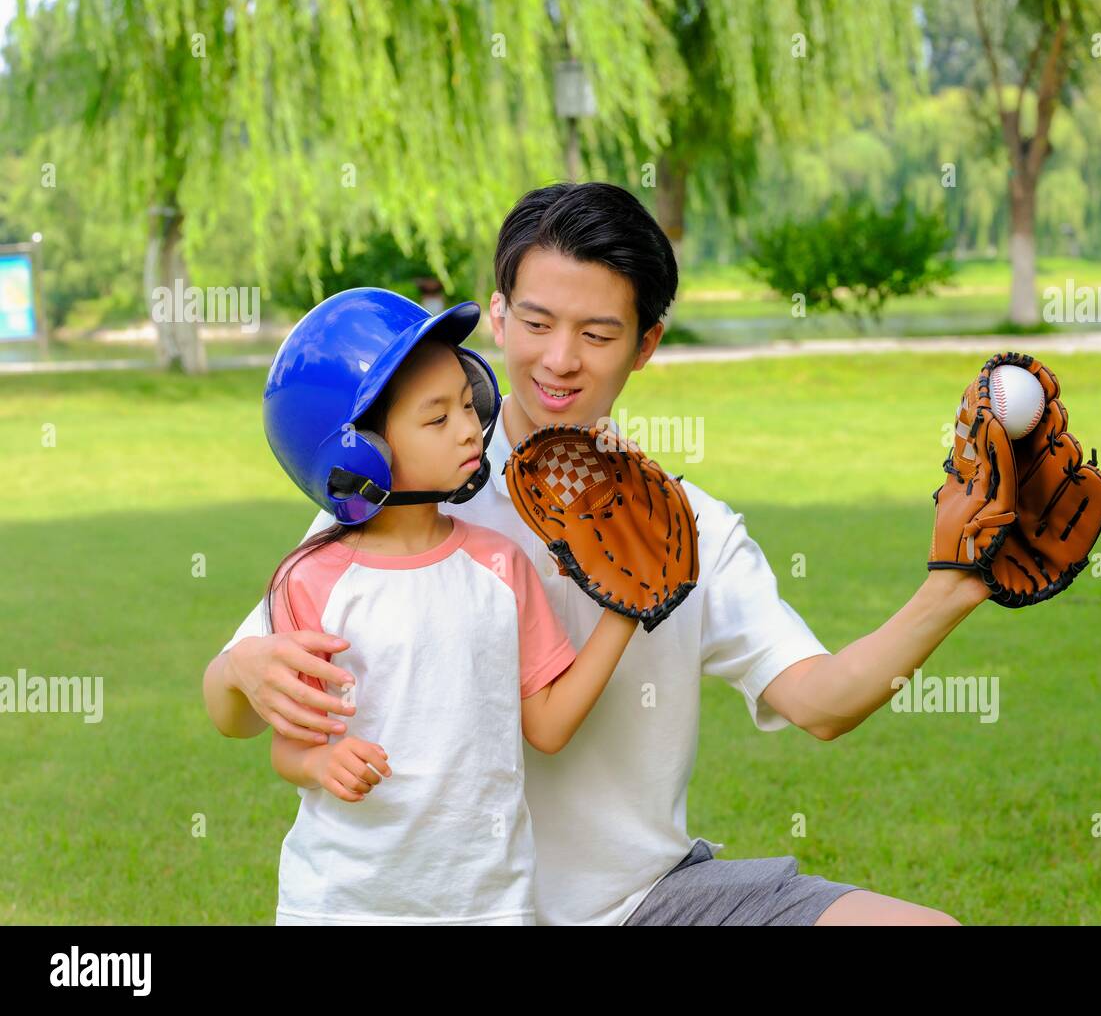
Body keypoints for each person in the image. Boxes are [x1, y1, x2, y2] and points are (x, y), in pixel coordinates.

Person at [205, 182, 986, 926]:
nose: (560, 359)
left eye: (598, 333)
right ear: (500, 318)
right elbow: (233, 706)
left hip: (648, 901)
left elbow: (820, 701)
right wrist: (244, 672)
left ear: (646, 343)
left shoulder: (687, 529)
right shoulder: (396, 501)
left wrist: (953, 587)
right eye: (538, 323)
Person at [250, 289, 644, 925]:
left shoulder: (498, 567)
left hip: (483, 902)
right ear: (355, 455)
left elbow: (546, 726)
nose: (469, 429)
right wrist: (321, 759)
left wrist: (626, 607)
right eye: (436, 419)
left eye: (467, 404)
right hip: (344, 903)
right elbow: (288, 750)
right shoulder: (313, 580)